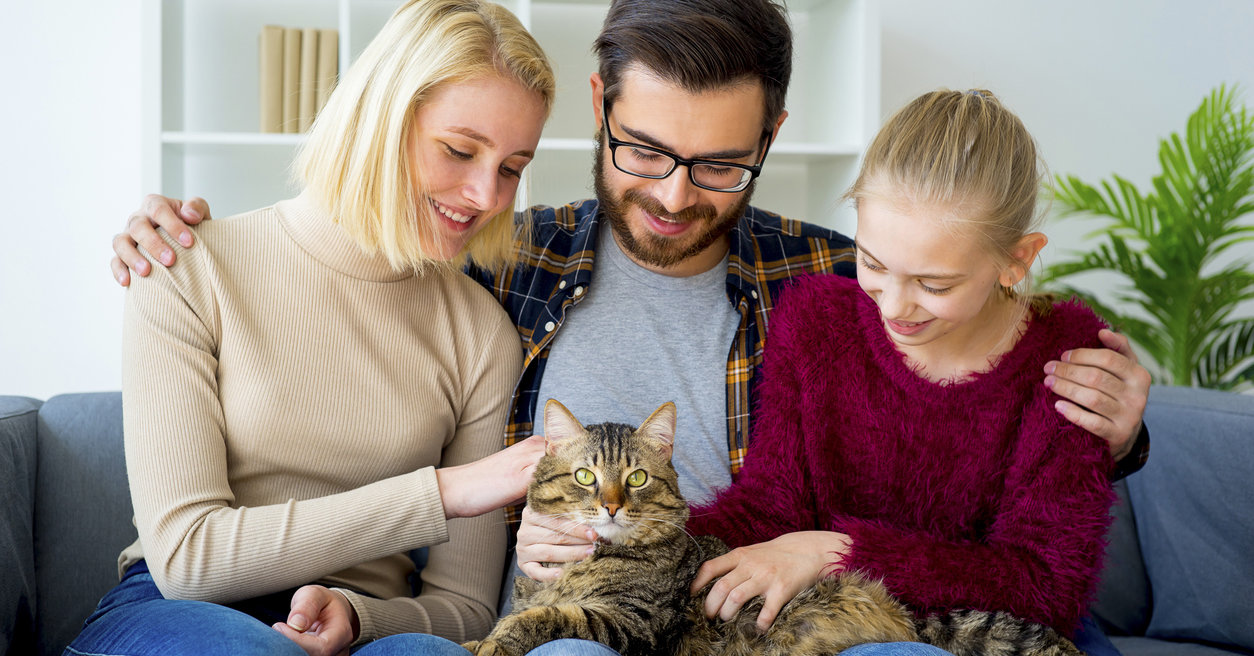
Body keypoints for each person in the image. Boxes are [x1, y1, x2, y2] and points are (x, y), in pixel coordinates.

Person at [108, 0, 1150, 653]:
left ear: (773, 136)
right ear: (601, 106)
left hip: (778, 611)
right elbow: (358, 260)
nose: (672, 193)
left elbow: (979, 350)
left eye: (719, 164)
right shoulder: (508, 264)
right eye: (643, 150)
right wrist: (171, 230)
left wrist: (1119, 423)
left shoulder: (848, 278)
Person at [69, 1, 557, 655]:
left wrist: (361, 618)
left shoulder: (478, 333)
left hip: (365, 625)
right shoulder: (186, 267)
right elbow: (187, 558)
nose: (486, 196)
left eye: (511, 168)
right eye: (459, 150)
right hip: (179, 609)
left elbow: (467, 608)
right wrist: (444, 492)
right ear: (377, 120)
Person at [687, 89, 1121, 652]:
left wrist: (835, 553)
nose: (892, 306)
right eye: (872, 263)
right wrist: (625, 545)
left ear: (1018, 259)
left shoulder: (1067, 359)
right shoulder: (818, 322)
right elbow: (771, 509)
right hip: (844, 627)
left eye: (933, 285)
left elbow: (1043, 586)